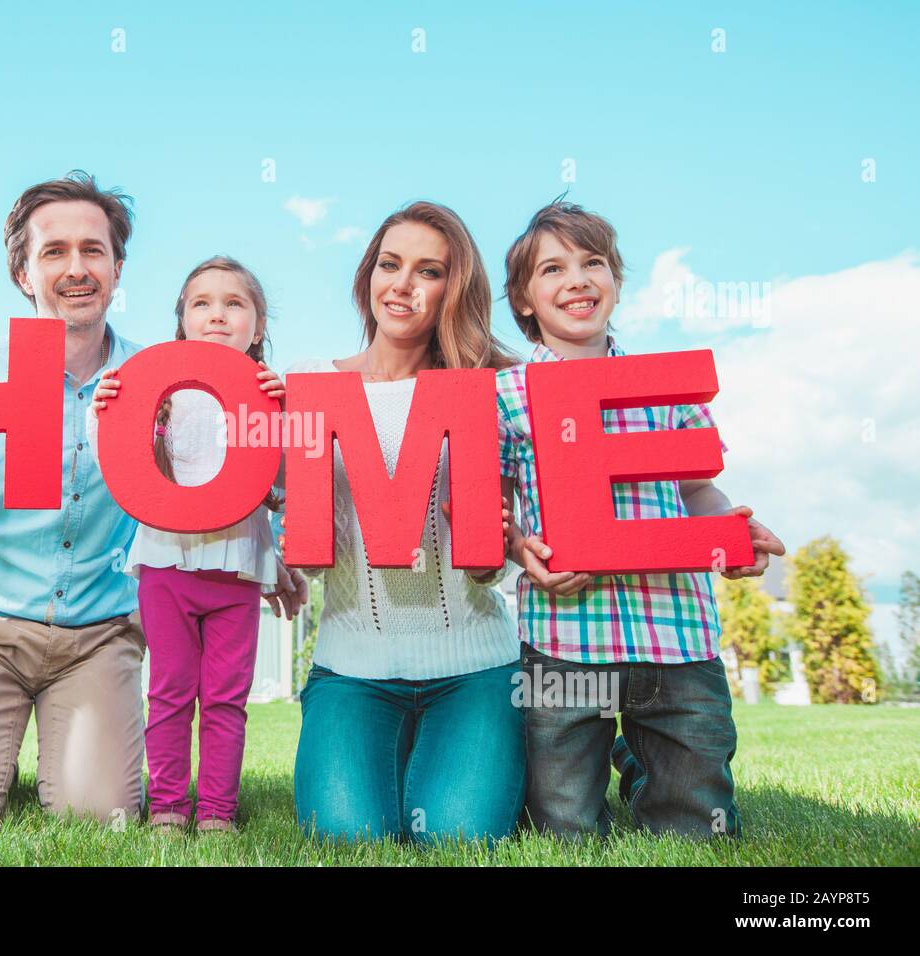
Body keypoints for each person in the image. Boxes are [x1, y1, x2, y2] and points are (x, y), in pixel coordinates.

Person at [0, 171, 307, 829]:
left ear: (116, 269)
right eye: (54, 251)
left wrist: (272, 557)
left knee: (99, 815)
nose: (76, 268)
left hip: (99, 637)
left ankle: (63, 745)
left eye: (93, 250)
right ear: (23, 272)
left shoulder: (167, 380)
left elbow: (211, 485)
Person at [497, 199, 786, 838]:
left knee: (696, 822)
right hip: (566, 636)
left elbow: (700, 488)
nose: (576, 279)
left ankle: (648, 765)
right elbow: (497, 509)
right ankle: (619, 755)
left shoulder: (666, 387)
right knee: (564, 824)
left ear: (617, 284)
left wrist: (733, 532)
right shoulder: (507, 396)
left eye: (592, 263)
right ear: (522, 300)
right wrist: (522, 550)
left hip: (675, 630)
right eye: (552, 269)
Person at [287, 201, 524, 845]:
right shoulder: (309, 391)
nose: (403, 285)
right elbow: (281, 514)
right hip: (351, 666)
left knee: (456, 838)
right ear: (368, 276)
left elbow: (500, 553)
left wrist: (501, 539)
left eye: (429, 270)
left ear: (454, 288)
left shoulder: (488, 389)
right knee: (346, 838)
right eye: (390, 265)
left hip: (475, 664)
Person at [88, 256, 285, 834]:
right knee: (170, 691)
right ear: (182, 321)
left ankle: (219, 810)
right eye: (202, 303)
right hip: (166, 565)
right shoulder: (159, 395)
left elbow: (277, 491)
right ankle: (170, 806)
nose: (217, 315)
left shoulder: (266, 393)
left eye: (234, 303)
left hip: (237, 569)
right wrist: (113, 412)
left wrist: (286, 416)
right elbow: (130, 470)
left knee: (226, 698)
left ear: (258, 323)